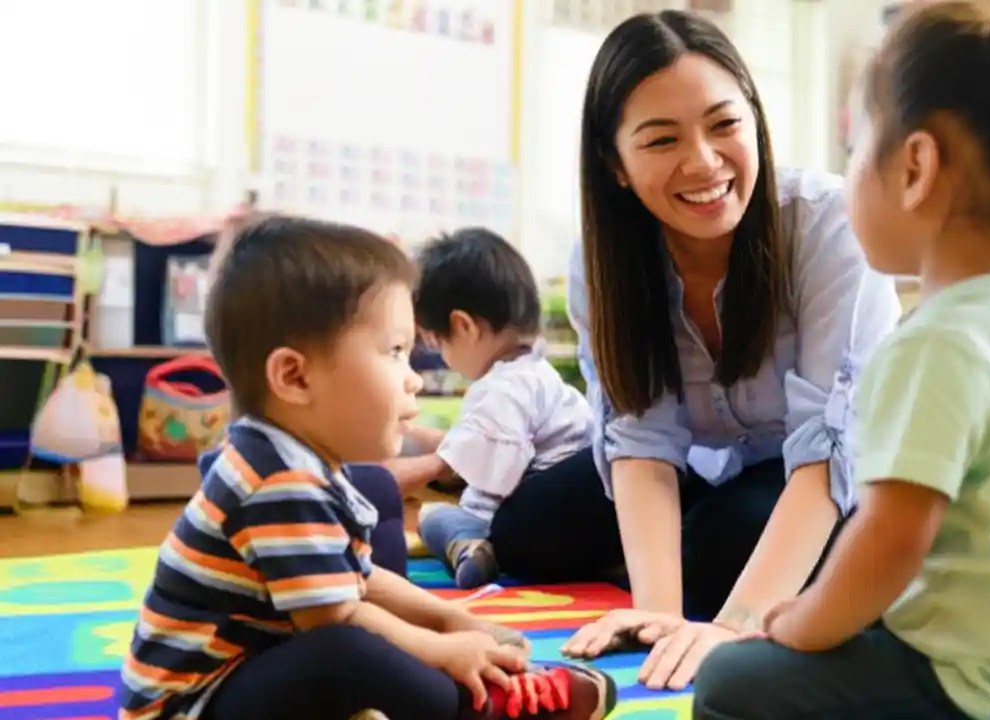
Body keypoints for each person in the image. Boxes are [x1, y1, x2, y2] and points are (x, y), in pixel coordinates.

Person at [693, 0, 990, 717]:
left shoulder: (935, 343)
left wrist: (800, 622)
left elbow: (891, 540)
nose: (848, 176)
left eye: (857, 146)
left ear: (914, 167)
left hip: (989, 693)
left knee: (731, 684)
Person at [484, 9, 901, 690]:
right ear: (613, 164)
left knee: (725, 546)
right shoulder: (606, 260)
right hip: (699, 465)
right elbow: (642, 440)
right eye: (660, 139)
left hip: (817, 476)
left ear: (755, 119)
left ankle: (717, 557)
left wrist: (734, 630)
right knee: (525, 532)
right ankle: (687, 555)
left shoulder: (828, 224)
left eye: (724, 125)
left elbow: (829, 450)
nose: (704, 162)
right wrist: (656, 615)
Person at [117, 216, 616, 720]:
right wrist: (442, 651)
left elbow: (359, 576)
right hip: (192, 707)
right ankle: (471, 706)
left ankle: (410, 689)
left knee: (374, 503)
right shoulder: (275, 481)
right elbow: (338, 618)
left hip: (254, 671)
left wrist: (450, 620)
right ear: (294, 377)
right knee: (344, 652)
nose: (414, 379)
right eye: (395, 353)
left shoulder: (298, 460)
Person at [408, 228, 594, 589]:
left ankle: (469, 545)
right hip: (577, 507)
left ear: (463, 326)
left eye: (437, 342)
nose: (444, 357)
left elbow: (494, 475)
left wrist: (469, 525)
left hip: (543, 518)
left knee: (433, 518)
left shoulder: (500, 388)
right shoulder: (538, 374)